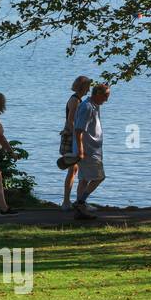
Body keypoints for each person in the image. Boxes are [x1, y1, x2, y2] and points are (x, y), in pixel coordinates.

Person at [72, 82, 110, 220]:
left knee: (84, 180)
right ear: (98, 94)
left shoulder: (94, 106)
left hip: (92, 149)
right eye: (106, 96)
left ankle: (80, 211)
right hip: (88, 151)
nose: (107, 99)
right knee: (99, 177)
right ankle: (80, 202)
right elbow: (78, 130)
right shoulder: (87, 107)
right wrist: (81, 151)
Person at [60, 75, 91, 207]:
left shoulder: (79, 100)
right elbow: (70, 120)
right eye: (87, 86)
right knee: (72, 169)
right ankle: (66, 201)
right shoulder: (75, 100)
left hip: (73, 136)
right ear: (82, 87)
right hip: (70, 137)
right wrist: (77, 137)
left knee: (76, 170)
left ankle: (79, 201)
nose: (89, 89)